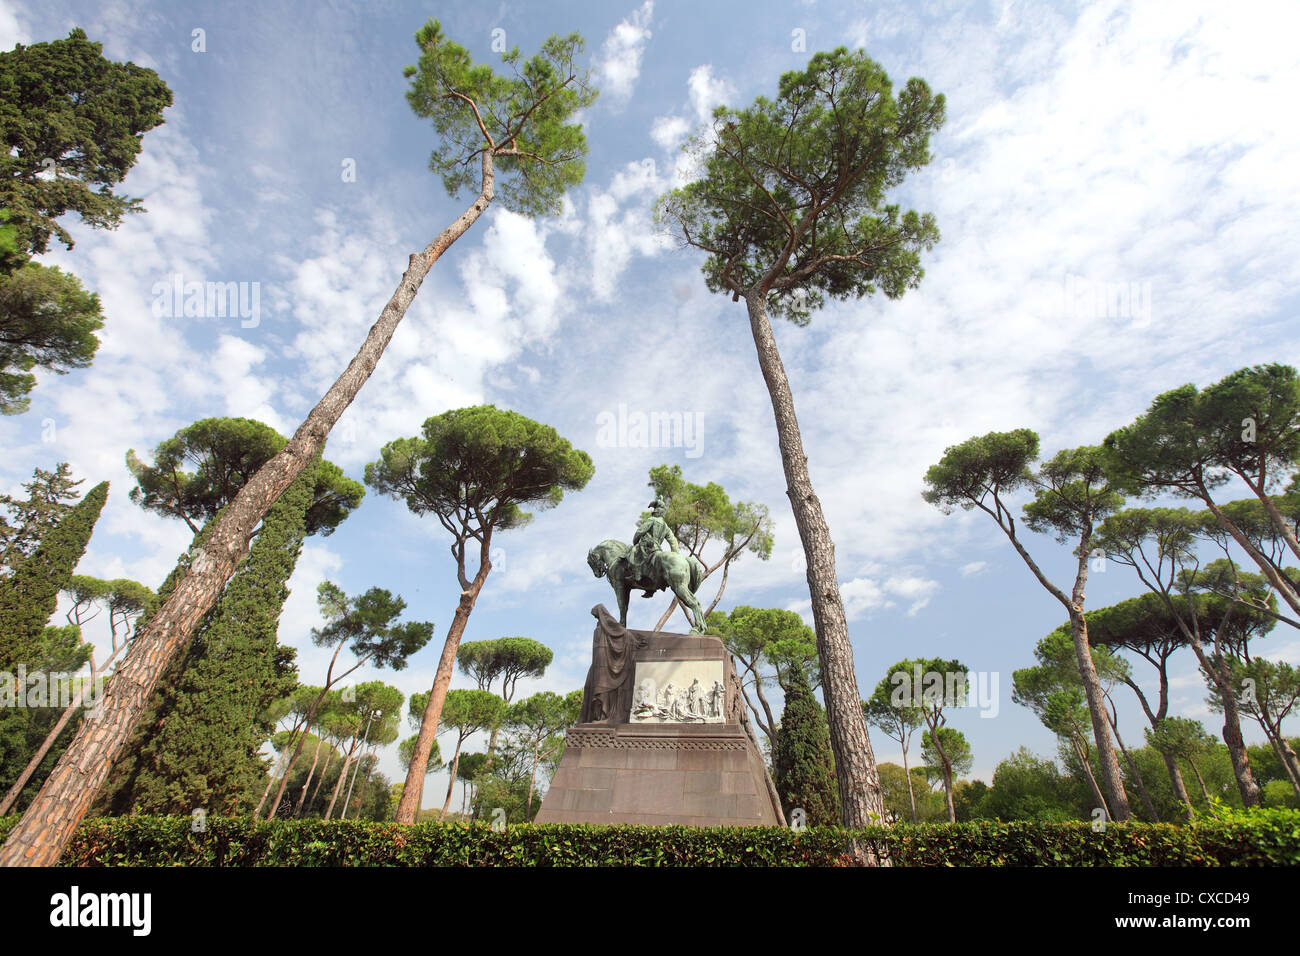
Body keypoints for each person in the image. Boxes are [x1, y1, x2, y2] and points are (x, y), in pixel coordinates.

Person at [629, 495, 680, 597]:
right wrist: (675, 554)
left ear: (656, 512)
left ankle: (637, 577)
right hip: (657, 549)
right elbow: (673, 541)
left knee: (632, 554)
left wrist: (635, 541)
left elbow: (640, 531)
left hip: (646, 546)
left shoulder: (652, 520)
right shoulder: (666, 527)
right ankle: (651, 589)